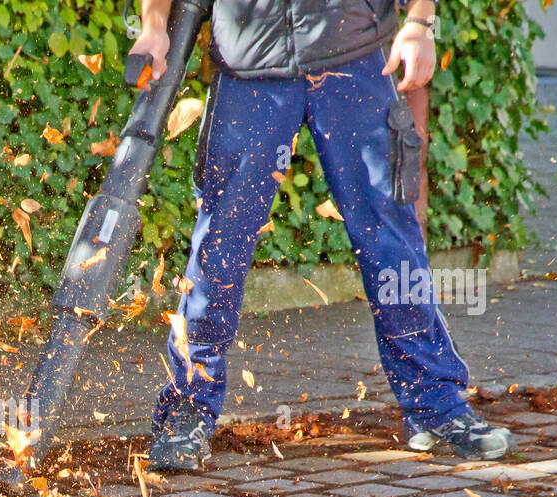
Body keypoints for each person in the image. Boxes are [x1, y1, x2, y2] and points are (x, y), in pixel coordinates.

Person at [129, 0, 515, 470]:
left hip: (354, 54)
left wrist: (418, 22)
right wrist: (153, 27)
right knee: (219, 247)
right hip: (251, 65)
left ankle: (437, 408)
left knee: (392, 244)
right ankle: (188, 406)